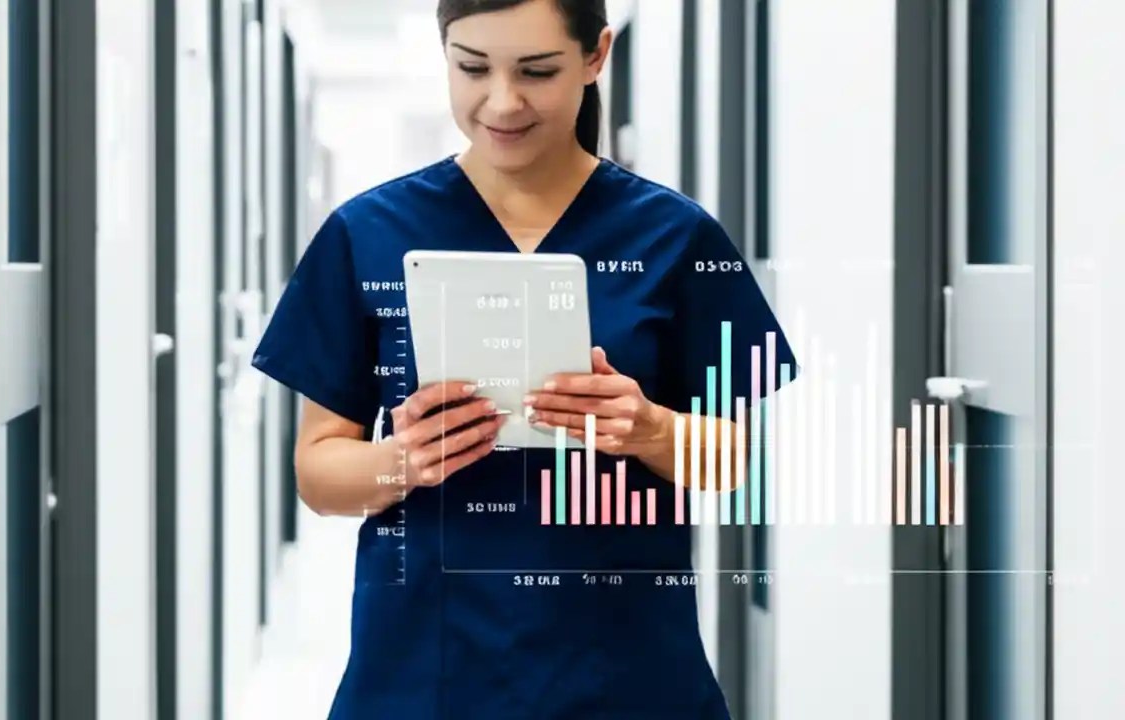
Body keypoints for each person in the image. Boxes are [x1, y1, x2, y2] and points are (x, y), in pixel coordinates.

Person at [251, 0, 797, 717]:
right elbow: (319, 474)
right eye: (472, 68)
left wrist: (651, 431)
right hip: (426, 668)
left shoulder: (676, 237)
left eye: (537, 71)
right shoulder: (366, 233)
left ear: (596, 56)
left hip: (625, 668)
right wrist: (405, 460)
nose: (501, 102)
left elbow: (736, 460)